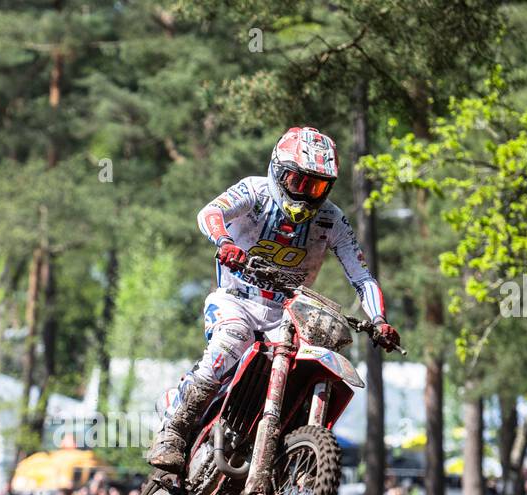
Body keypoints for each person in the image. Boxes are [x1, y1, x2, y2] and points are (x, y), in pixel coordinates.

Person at [146, 126, 401, 471]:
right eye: (300, 182)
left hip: (288, 315)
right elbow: (210, 213)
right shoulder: (255, 192)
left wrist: (380, 320)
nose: (308, 194)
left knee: (313, 363)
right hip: (236, 299)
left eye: (318, 187)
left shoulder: (331, 219)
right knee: (231, 339)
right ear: (279, 172)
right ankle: (174, 430)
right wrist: (224, 243)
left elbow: (362, 276)